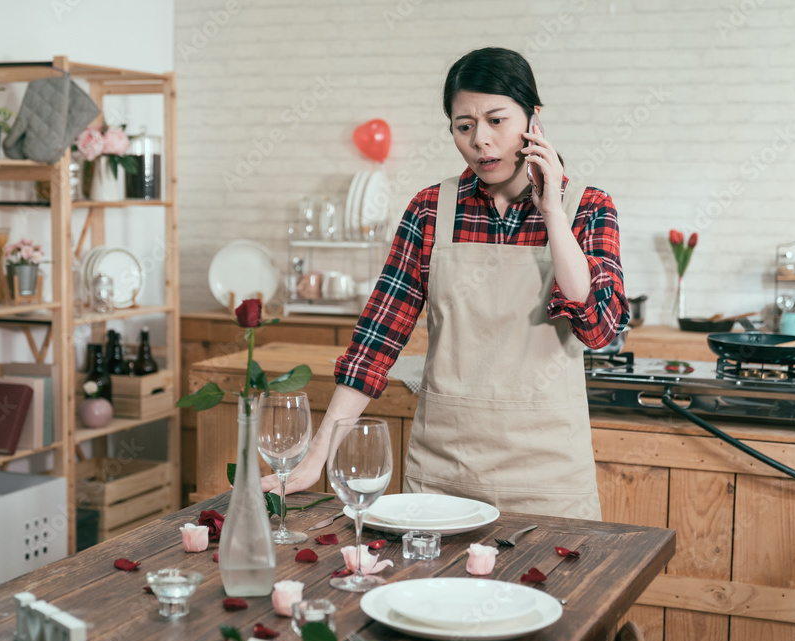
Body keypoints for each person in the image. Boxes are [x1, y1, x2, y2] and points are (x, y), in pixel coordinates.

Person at [264, 47, 628, 521]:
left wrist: (553, 212)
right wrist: (317, 456)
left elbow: (599, 329)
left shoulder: (588, 207)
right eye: (464, 126)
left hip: (550, 479)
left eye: (497, 120)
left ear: (534, 119)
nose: (481, 141)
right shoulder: (431, 210)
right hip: (443, 475)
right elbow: (377, 340)